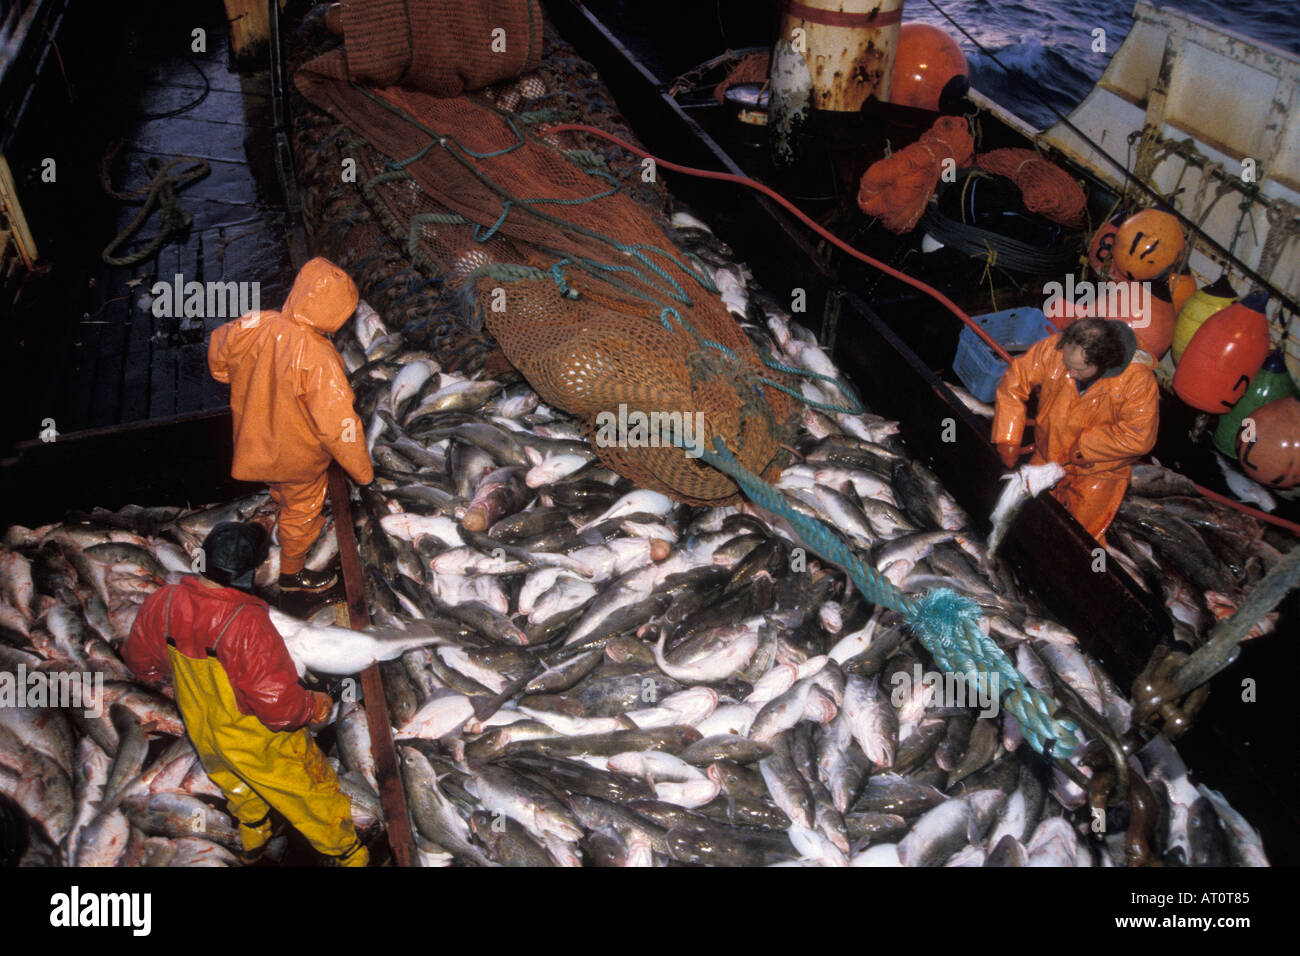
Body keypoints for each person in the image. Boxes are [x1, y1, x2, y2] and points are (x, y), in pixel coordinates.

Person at [122, 522, 369, 866]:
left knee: (234, 782)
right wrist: (314, 705)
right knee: (309, 793)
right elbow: (278, 709)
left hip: (203, 728)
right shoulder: (247, 623)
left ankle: (254, 834)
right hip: (257, 737)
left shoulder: (164, 600)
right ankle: (349, 853)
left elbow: (140, 662)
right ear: (248, 573)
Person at [208, 257, 373, 593]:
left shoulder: (257, 321)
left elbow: (218, 343)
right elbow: (339, 426)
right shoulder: (321, 358)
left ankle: (276, 501)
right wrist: (363, 473)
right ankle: (293, 575)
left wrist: (228, 375)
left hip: (253, 444)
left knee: (279, 486)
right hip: (297, 459)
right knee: (302, 510)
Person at [991, 317, 1159, 544]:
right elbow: (1015, 380)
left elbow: (1140, 435)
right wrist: (1007, 436)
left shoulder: (1138, 381)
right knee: (1024, 517)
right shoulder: (1057, 348)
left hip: (1097, 471)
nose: (1068, 373)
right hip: (1047, 452)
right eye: (1066, 364)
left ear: (1104, 363)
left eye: (1077, 369)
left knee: (1078, 539)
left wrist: (1088, 448)